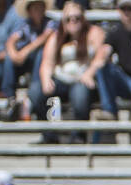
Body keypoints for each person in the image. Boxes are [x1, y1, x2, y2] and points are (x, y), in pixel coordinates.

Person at [31, 1, 101, 138]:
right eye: (68, 19)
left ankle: (79, 136)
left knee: (79, 95)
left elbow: (101, 56)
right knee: (35, 91)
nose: (73, 21)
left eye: (77, 18)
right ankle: (49, 135)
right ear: (63, 21)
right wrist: (46, 80)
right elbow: (47, 62)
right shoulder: (56, 37)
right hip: (60, 79)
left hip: (83, 80)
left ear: (83, 18)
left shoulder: (93, 33)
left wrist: (90, 73)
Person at [2, 0, 56, 119]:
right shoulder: (24, 24)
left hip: (44, 61)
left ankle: (36, 89)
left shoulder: (50, 23)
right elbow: (11, 40)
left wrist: (25, 51)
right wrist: (14, 54)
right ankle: (10, 96)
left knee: (40, 54)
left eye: (40, 7)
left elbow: (45, 37)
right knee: (8, 58)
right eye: (35, 8)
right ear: (29, 11)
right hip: (27, 60)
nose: (38, 10)